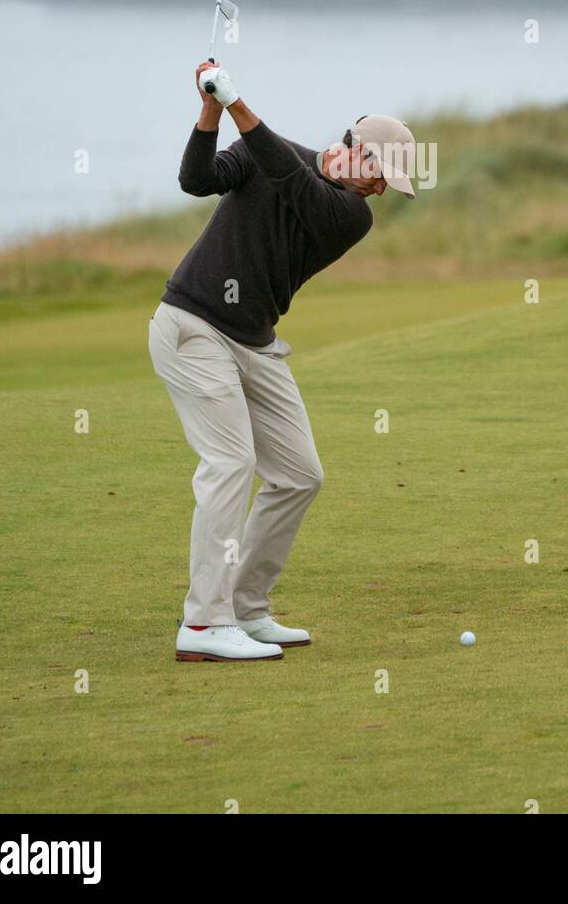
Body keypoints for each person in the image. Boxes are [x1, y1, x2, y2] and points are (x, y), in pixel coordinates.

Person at [149, 60, 416, 663]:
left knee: (300, 473)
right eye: (382, 174)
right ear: (355, 150)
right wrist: (212, 110)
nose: (381, 190)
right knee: (230, 461)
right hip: (192, 326)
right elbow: (197, 180)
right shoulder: (271, 154)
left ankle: (245, 608)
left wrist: (239, 103)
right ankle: (202, 624)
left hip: (254, 341)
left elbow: (294, 182)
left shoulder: (351, 216)